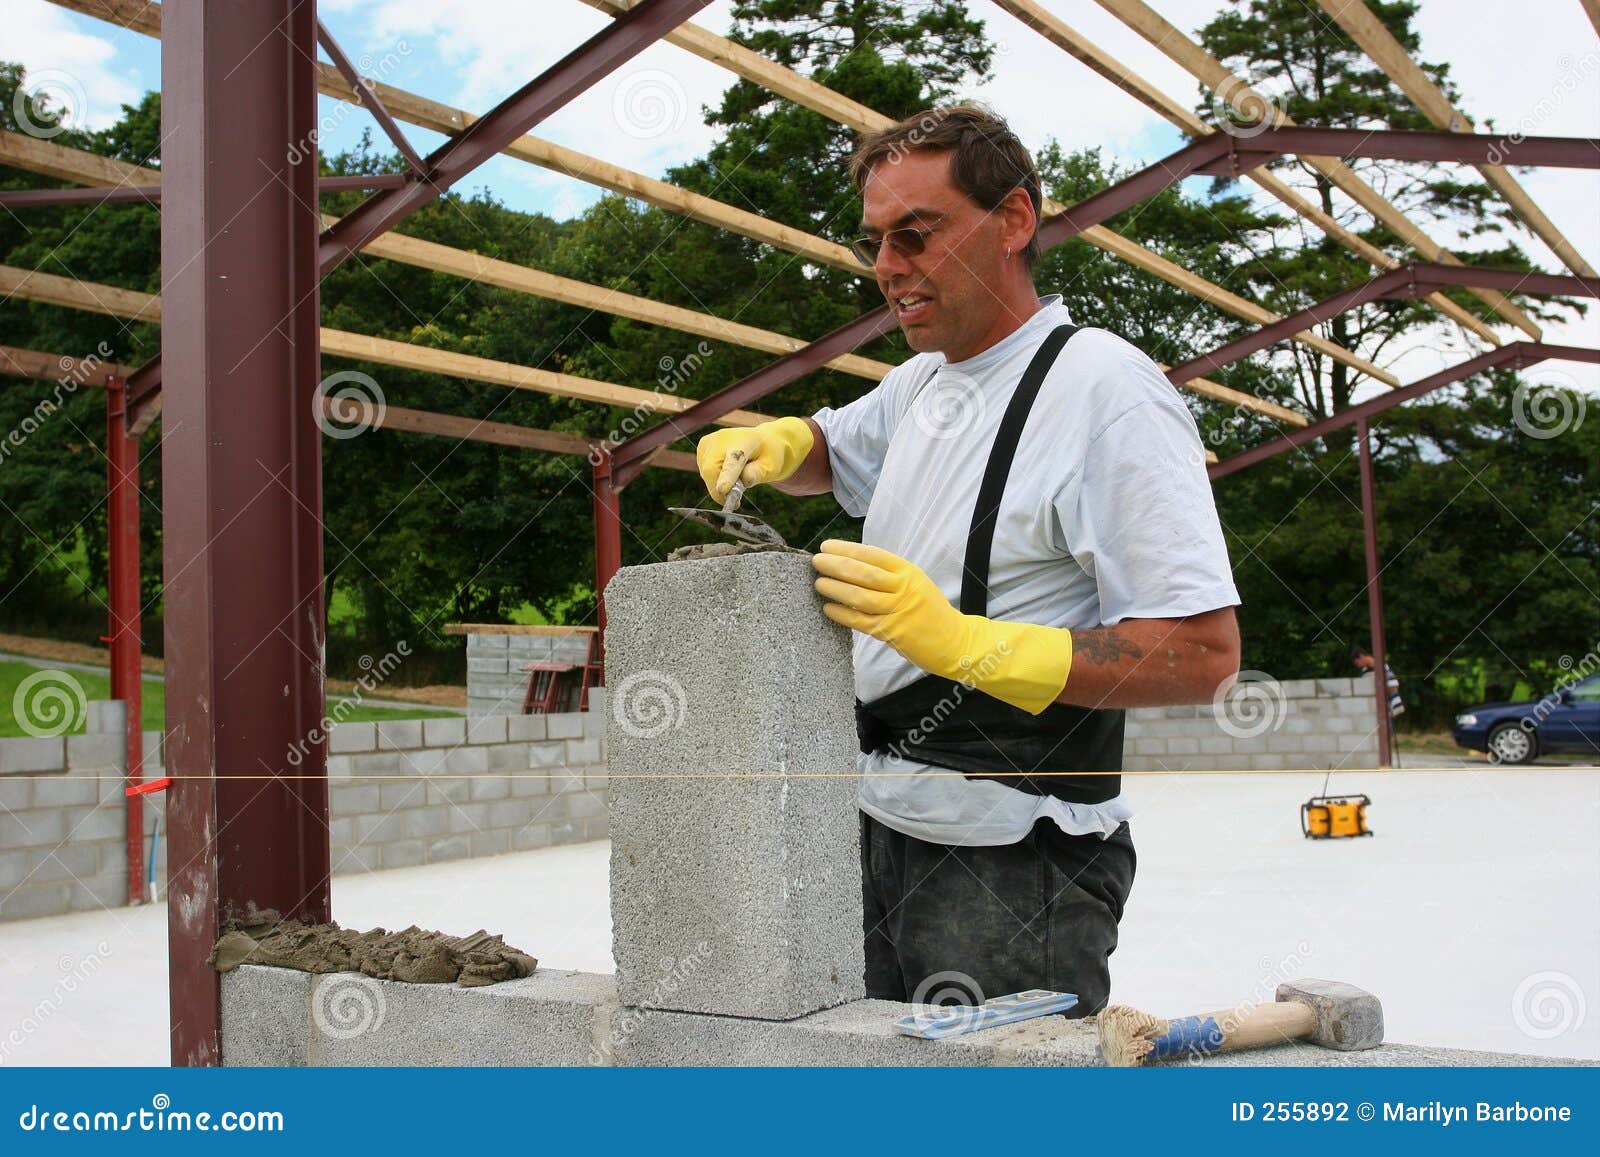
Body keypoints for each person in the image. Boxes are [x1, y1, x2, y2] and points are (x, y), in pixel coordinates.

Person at [694, 104, 1241, 1015]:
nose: (887, 269)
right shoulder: (926, 380)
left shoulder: (1102, 389)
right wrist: (784, 441)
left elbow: (1203, 654)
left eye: (917, 235)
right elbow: (837, 451)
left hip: (1013, 861)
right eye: (875, 241)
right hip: (879, 827)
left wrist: (967, 646)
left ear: (1016, 220)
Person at [1352, 647, 1404, 718]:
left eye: (1357, 663)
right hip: (1376, 710)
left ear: (1361, 656)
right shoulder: (1365, 672)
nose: (1358, 666)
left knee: (1388, 727)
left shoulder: (1382, 665)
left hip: (1389, 707)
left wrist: (1381, 692)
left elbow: (1394, 685)